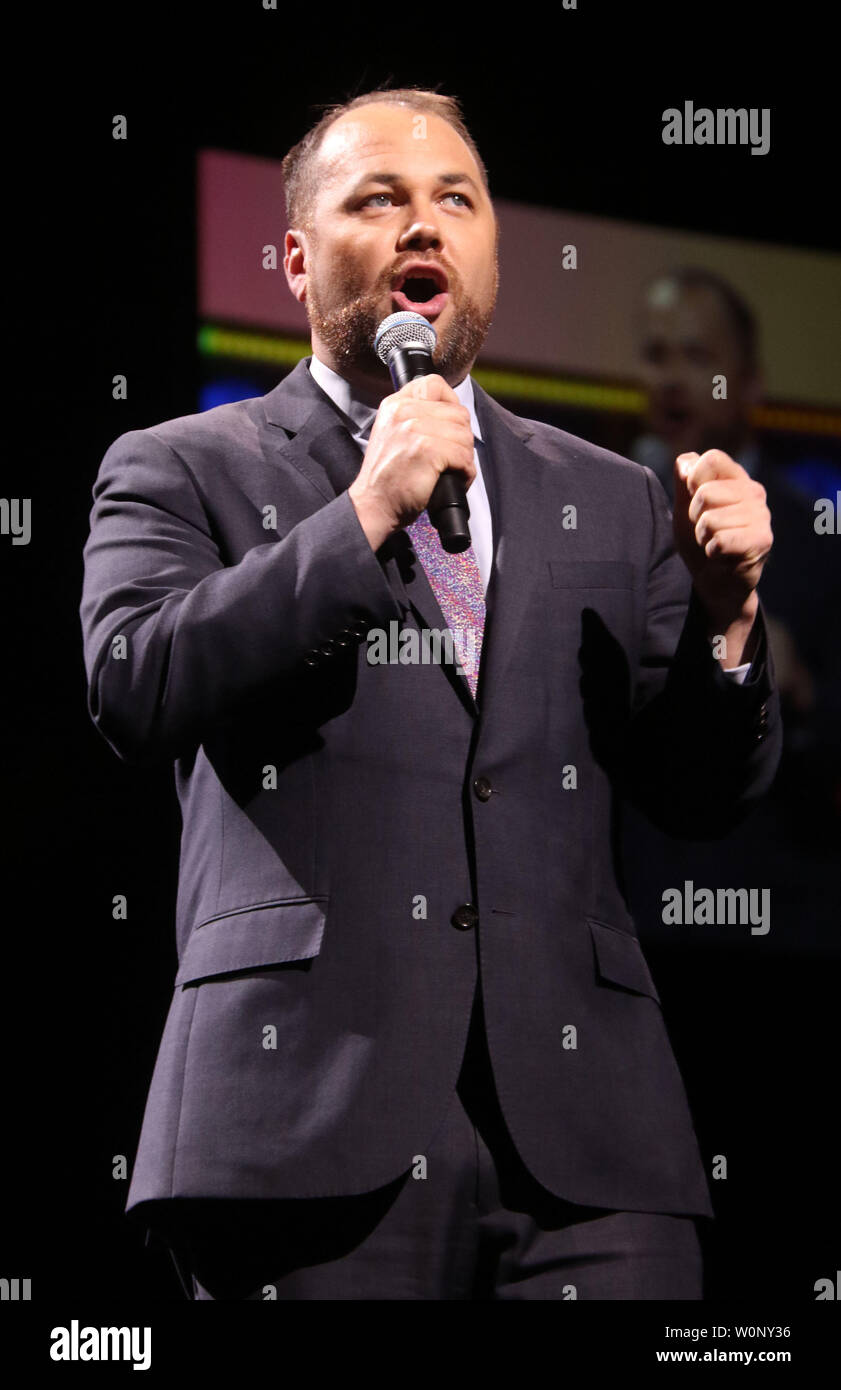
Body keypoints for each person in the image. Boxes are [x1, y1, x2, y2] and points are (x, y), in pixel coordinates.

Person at [79, 87, 780, 1300]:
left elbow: (697, 792)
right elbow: (134, 682)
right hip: (302, 1123)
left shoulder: (607, 496)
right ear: (296, 260)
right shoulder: (177, 465)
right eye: (379, 200)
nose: (424, 227)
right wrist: (363, 515)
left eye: (455, 200)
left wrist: (728, 624)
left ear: (491, 249)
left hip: (592, 1153)